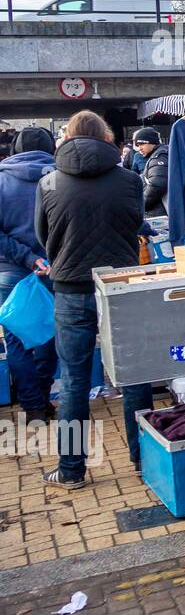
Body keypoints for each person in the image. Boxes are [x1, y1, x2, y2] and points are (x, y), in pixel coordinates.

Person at [35, 110, 152, 489]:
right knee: (135, 374)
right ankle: (145, 460)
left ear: (67, 136)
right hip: (120, 286)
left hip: (70, 288)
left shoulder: (49, 182)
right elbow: (135, 223)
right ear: (107, 137)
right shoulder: (131, 180)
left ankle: (71, 469)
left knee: (72, 381)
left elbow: (42, 234)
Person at [0, 127, 58, 422]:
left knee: (17, 338)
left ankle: (33, 405)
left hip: (10, 272)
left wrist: (25, 257)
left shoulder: (0, 180)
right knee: (49, 333)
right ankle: (44, 395)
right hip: (53, 268)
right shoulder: (61, 178)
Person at [133, 127, 169, 216]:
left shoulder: (159, 156)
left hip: (161, 211)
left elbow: (157, 185)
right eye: (137, 145)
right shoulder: (160, 153)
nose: (139, 148)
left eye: (142, 144)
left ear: (152, 142)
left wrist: (142, 205)